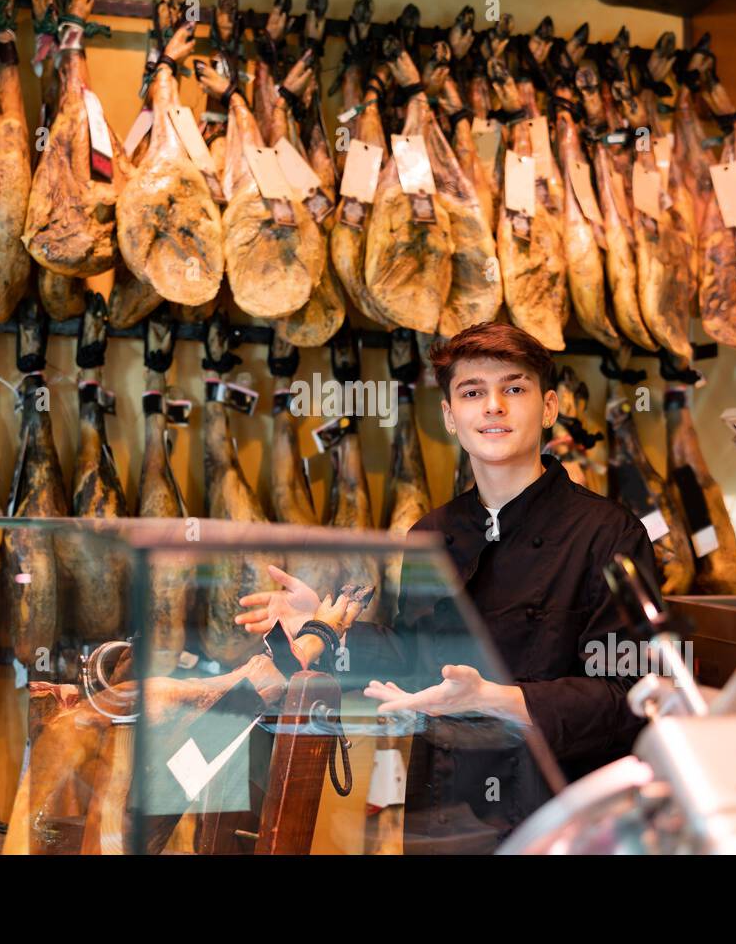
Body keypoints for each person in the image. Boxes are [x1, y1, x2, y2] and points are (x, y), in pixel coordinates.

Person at [236, 321, 661, 851]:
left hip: (559, 815)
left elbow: (630, 697)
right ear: (449, 416)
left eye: (513, 389)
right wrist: (327, 627)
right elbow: (415, 657)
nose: (493, 407)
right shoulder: (431, 535)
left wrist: (498, 699)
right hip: (445, 811)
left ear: (549, 407)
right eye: (472, 392)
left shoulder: (609, 534)